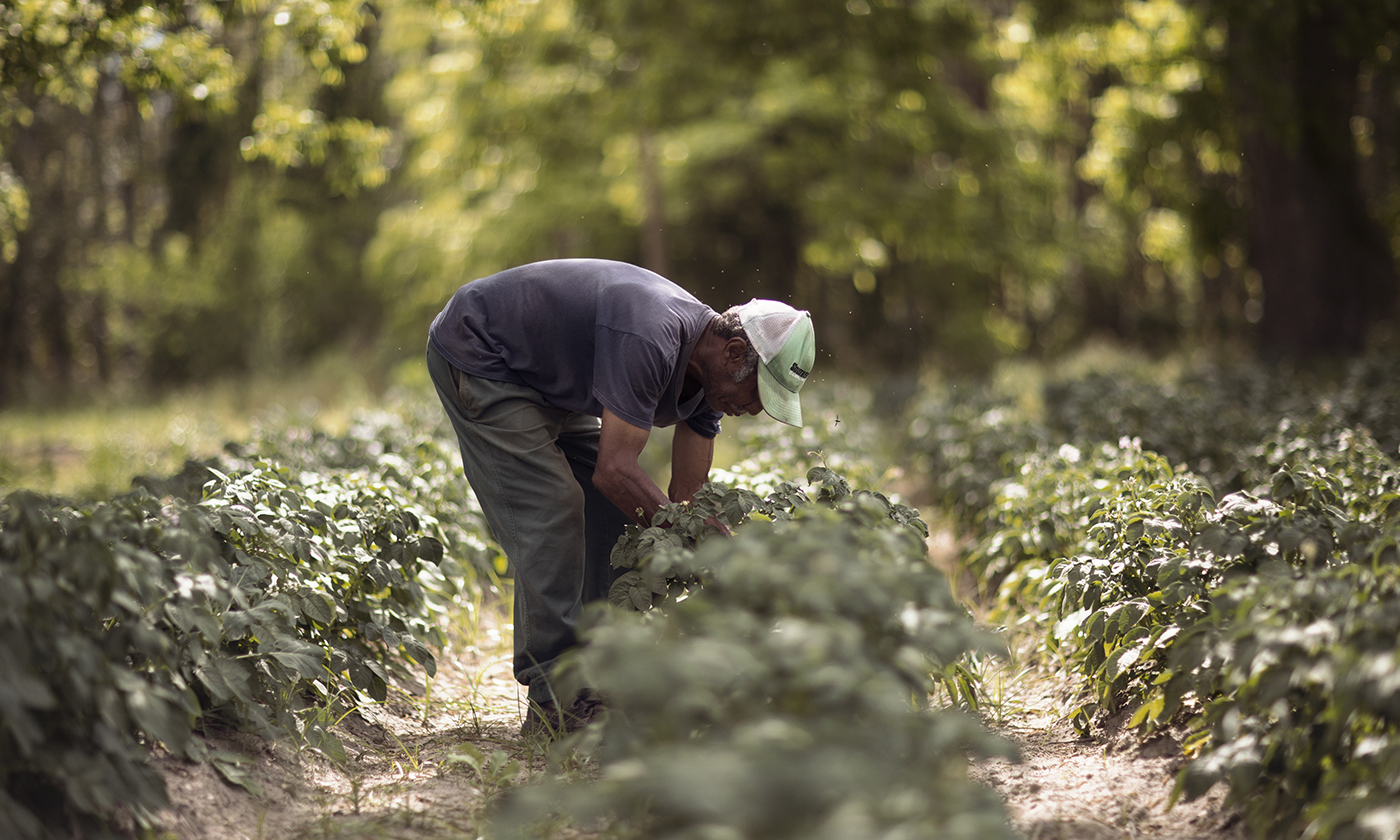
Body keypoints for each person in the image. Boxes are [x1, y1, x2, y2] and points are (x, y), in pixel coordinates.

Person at [425, 258, 815, 737]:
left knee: (619, 515)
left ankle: (600, 673)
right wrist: (693, 548)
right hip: (486, 354)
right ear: (734, 352)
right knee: (554, 509)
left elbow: (684, 500)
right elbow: (614, 470)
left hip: (547, 381)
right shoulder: (651, 335)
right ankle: (555, 699)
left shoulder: (709, 381)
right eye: (759, 393)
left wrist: (719, 556)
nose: (755, 409)